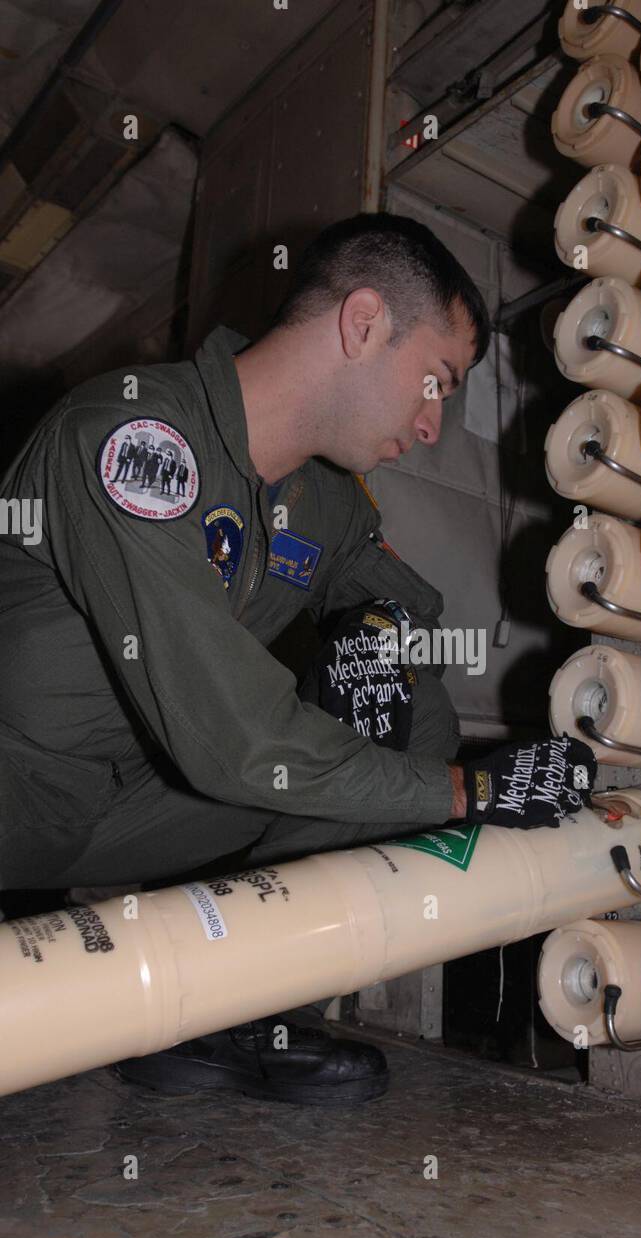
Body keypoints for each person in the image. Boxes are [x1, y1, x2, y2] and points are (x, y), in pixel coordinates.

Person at [0, 213, 595, 1105]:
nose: (434, 424)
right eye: (435, 381)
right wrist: (473, 792)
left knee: (400, 714)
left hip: (122, 805)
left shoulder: (323, 499)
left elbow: (409, 608)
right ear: (361, 325)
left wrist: (377, 635)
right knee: (378, 764)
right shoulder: (134, 438)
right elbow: (235, 740)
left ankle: (218, 1007)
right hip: (18, 794)